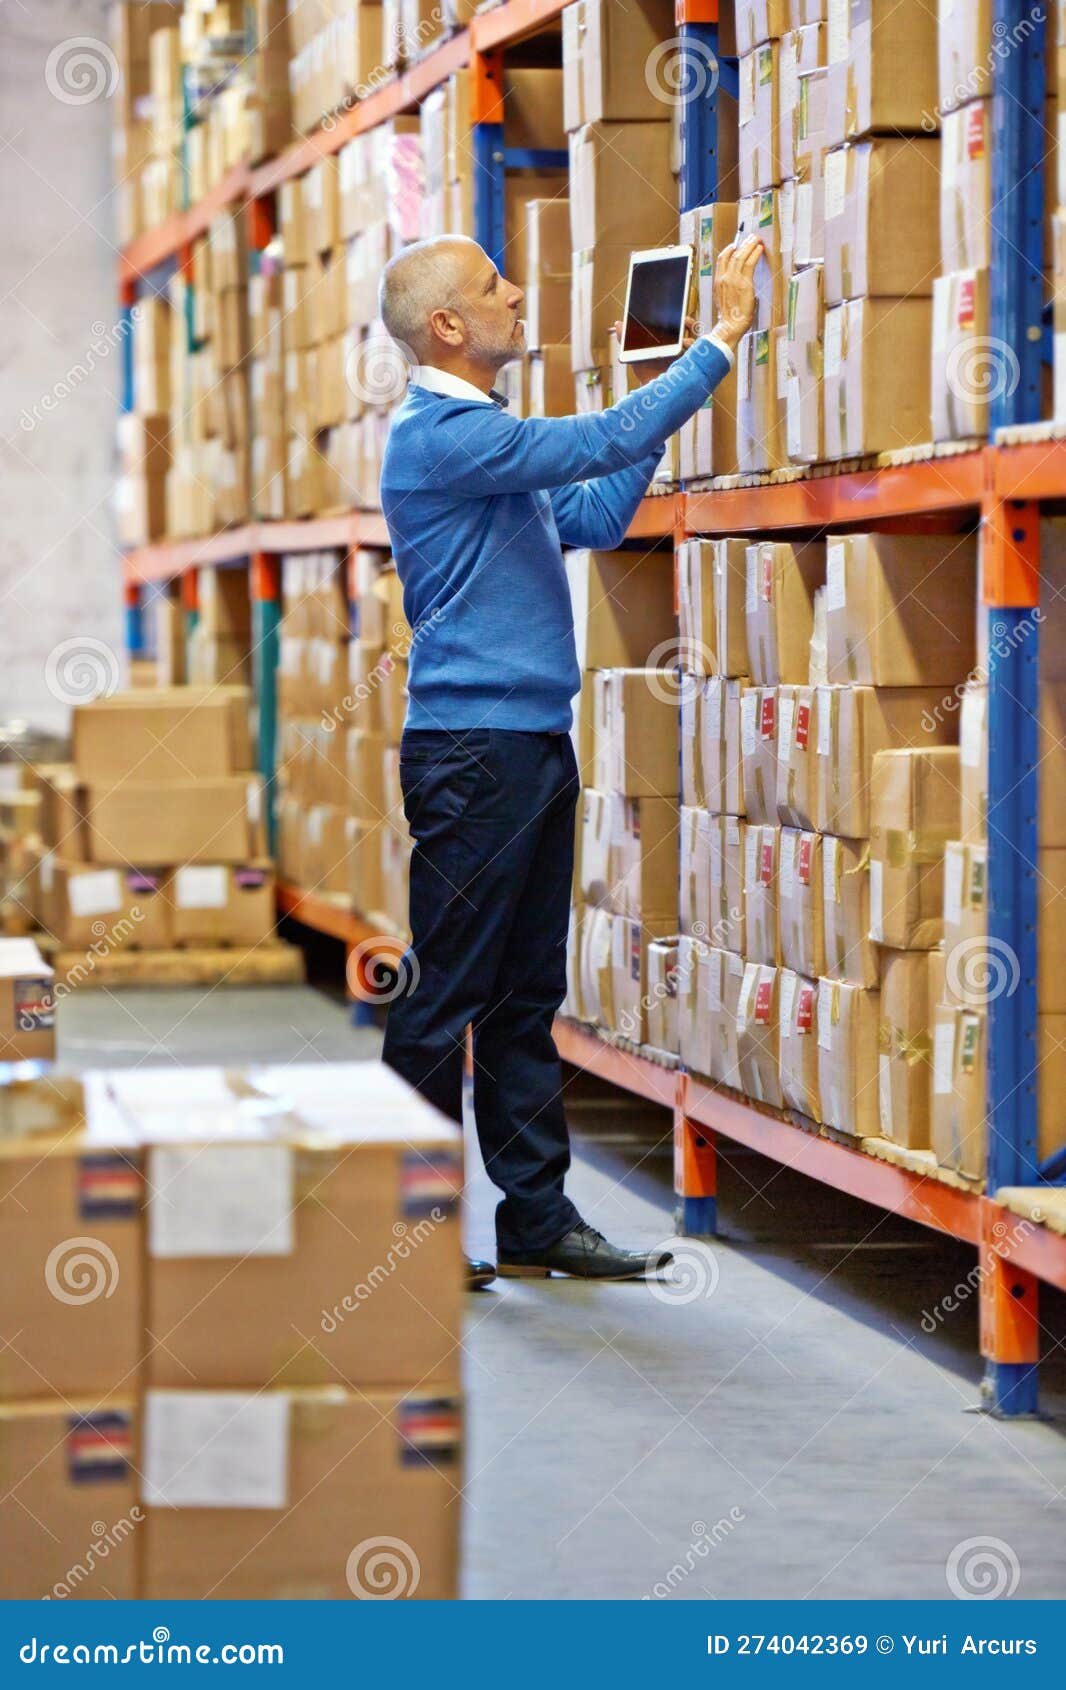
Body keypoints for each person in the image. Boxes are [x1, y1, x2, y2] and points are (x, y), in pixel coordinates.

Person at [376, 232, 763, 1289]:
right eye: (493, 286)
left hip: (528, 744)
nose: (517, 291)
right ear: (446, 324)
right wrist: (715, 342)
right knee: (445, 991)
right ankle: (397, 1232)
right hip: (473, 753)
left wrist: (656, 379)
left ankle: (535, 1219)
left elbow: (592, 506)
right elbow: (592, 441)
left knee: (520, 995)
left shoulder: (489, 436)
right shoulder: (436, 436)